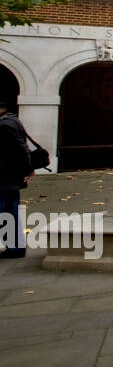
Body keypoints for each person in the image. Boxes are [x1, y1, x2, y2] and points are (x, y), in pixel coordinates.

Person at [0, 96, 33, 259]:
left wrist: (28, 170)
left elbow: (21, 149)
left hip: (5, 177)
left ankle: (15, 248)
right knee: (9, 212)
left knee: (8, 212)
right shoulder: (12, 121)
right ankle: (15, 248)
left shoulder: (5, 124)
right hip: (10, 178)